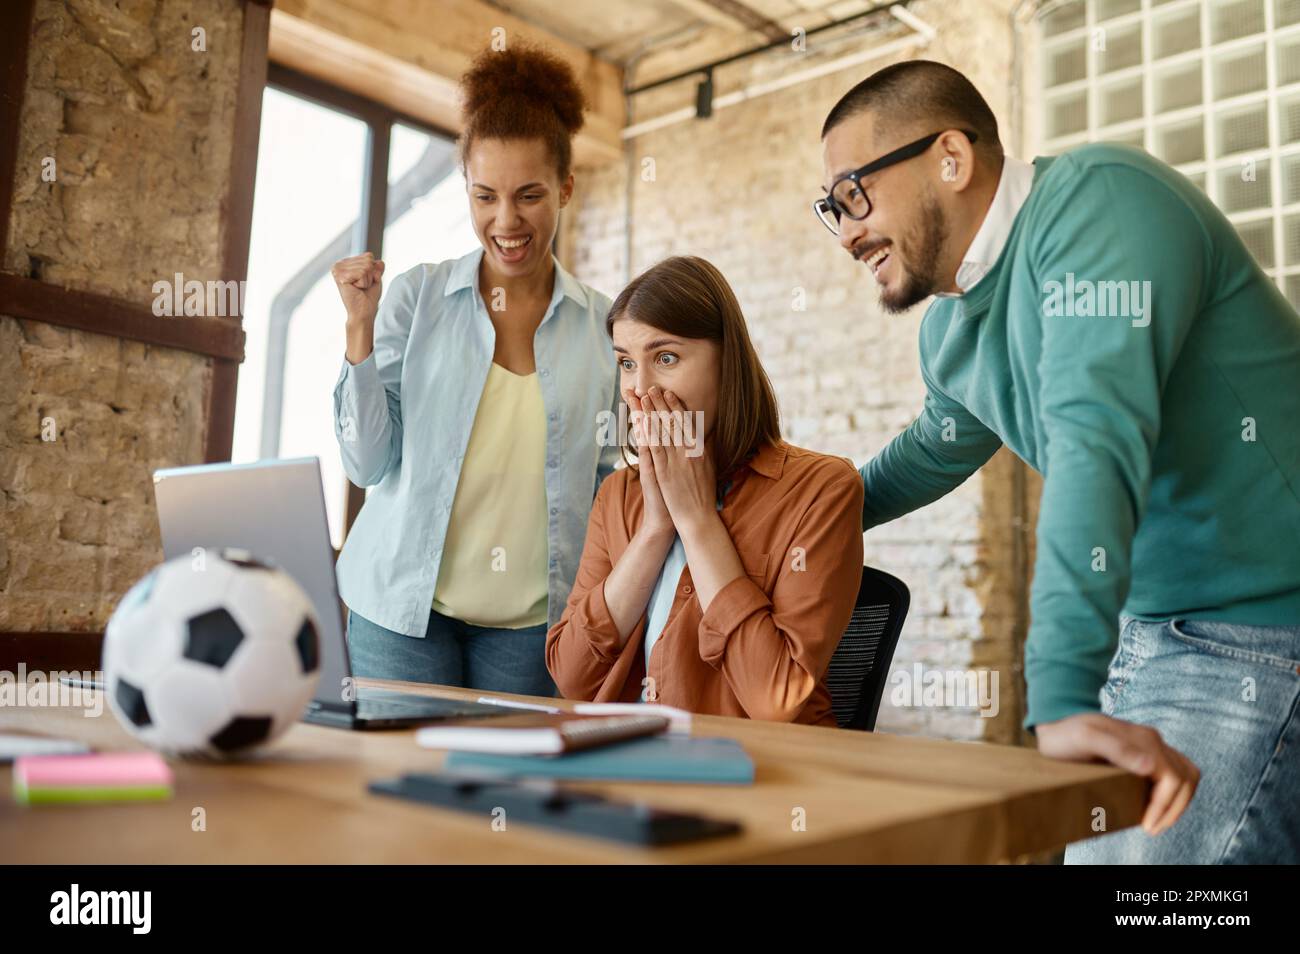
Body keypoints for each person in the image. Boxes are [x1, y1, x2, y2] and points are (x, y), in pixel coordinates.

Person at [817, 59, 1300, 861]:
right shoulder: (952, 332)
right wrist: (785, 514)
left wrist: (1064, 696)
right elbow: (932, 452)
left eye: (855, 195)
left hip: (1263, 626)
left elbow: (1093, 443)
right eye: (830, 209)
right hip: (1147, 636)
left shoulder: (1100, 205)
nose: (845, 230)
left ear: (951, 158)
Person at [329, 43, 619, 696]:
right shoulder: (416, 298)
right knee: (399, 794)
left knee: (509, 798)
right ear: (466, 188)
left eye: (530, 195)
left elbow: (606, 485)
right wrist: (358, 332)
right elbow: (366, 464)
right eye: (485, 195)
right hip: (400, 615)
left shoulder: (604, 330)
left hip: (532, 629)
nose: (506, 221)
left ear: (567, 187)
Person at [547, 256, 864, 724]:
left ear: (727, 363)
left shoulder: (822, 490)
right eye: (627, 364)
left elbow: (773, 700)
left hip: (756, 773)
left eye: (666, 358)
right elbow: (572, 677)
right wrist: (656, 528)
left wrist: (696, 521)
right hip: (623, 765)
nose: (640, 389)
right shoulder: (618, 495)